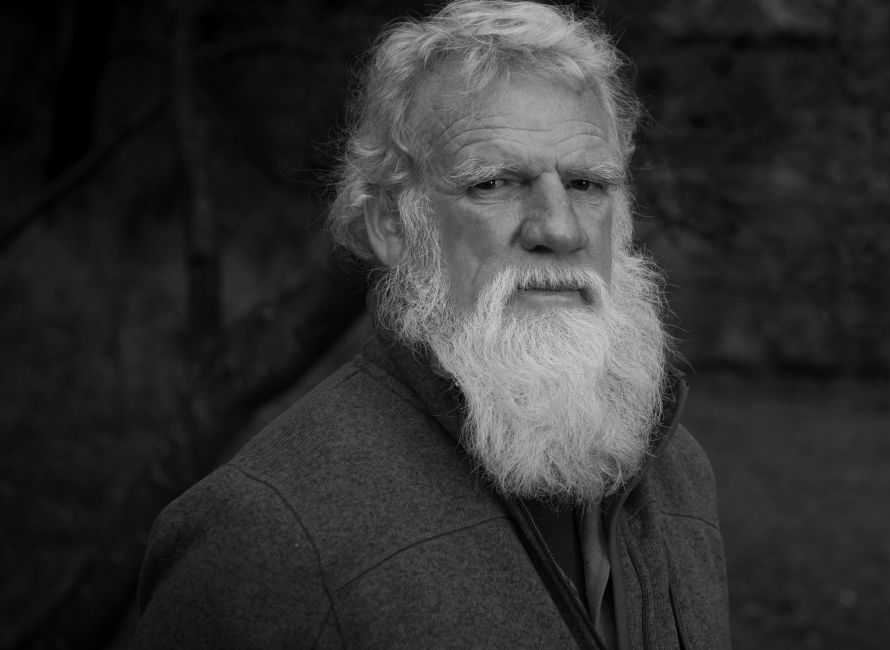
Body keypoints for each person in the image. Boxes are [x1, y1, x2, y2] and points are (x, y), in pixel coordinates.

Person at [132, 1, 730, 647]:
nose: (558, 228)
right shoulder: (264, 535)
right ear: (392, 225)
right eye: (495, 182)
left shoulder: (676, 470)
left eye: (587, 183)